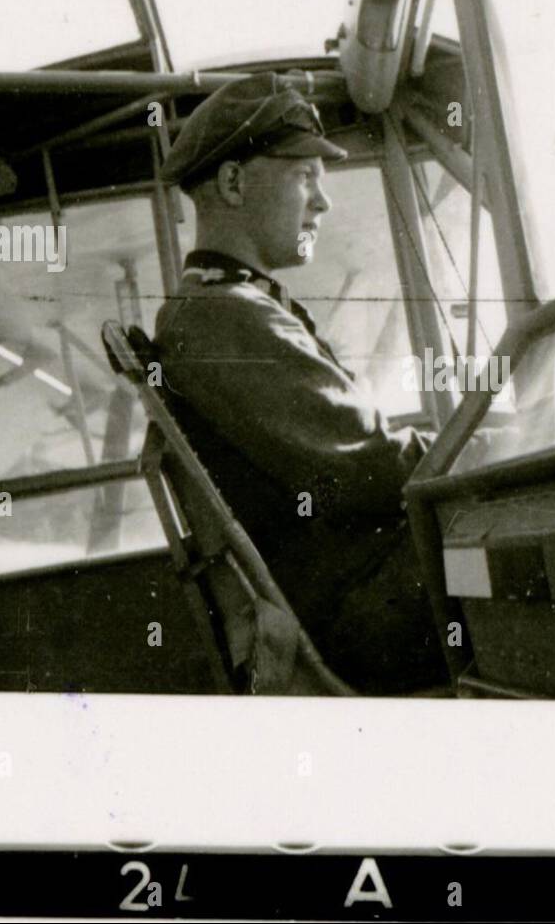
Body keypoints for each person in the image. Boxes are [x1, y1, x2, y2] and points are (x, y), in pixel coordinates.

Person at [154, 83, 450, 695]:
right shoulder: (220, 316)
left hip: (356, 589)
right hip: (361, 610)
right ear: (234, 184)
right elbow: (370, 471)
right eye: (304, 177)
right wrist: (485, 450)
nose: (324, 203)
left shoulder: (230, 306)